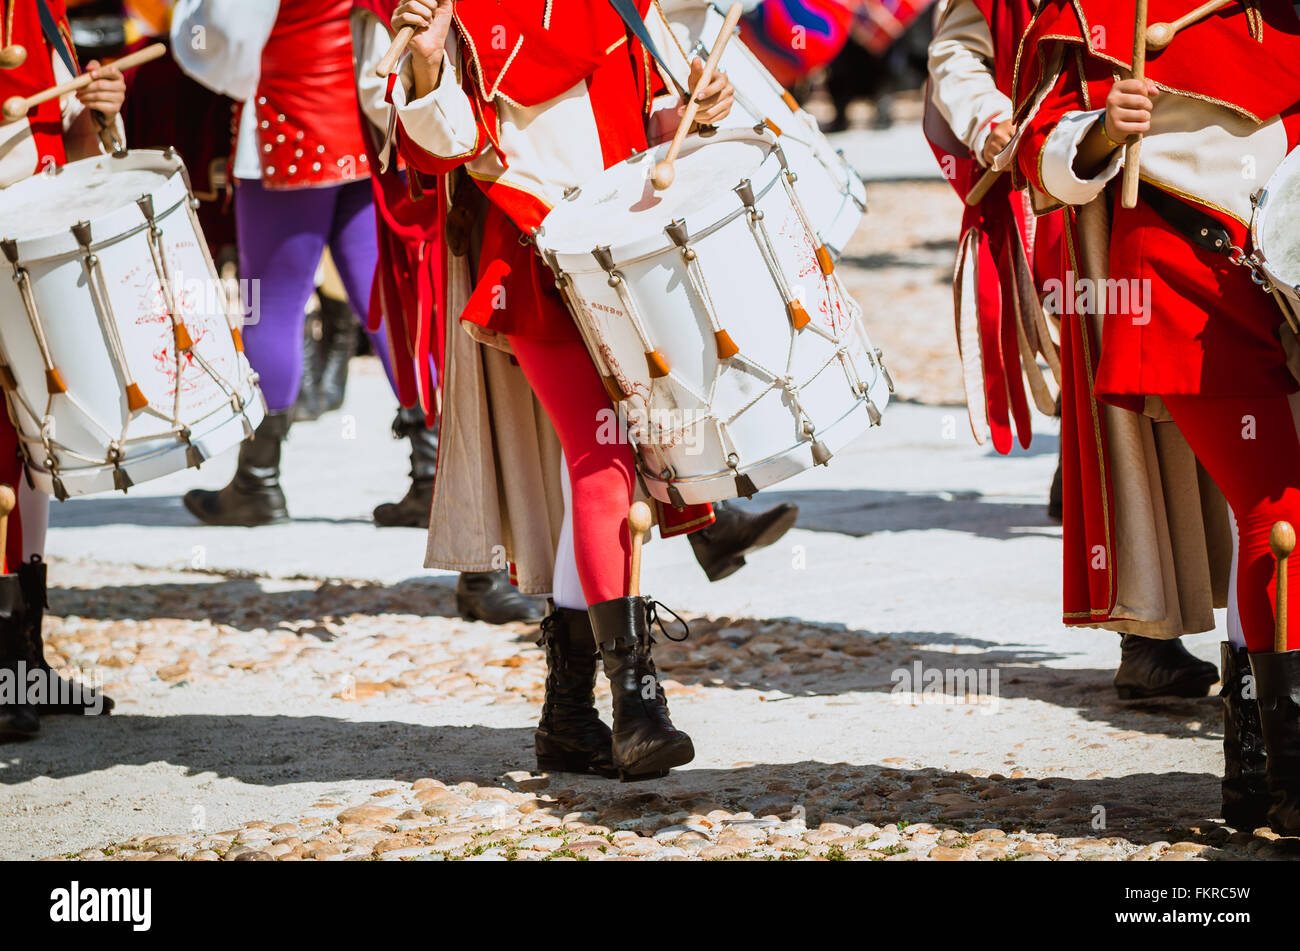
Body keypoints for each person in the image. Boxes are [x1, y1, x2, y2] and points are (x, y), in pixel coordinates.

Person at [380, 0, 754, 780]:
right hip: (530, 248)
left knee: (593, 473)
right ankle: (636, 702)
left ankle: (568, 715)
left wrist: (693, 107)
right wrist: (424, 61)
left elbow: (644, 113)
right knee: (602, 458)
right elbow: (443, 144)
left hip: (625, 247)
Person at [1015, 0, 1300, 831]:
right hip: (1190, 274)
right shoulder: (1109, 9)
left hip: (1285, 261)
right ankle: (1290, 775)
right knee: (1279, 515)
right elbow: (1042, 151)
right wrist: (1102, 130)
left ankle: (1255, 770)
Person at [170, 0, 540, 624]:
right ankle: (429, 470)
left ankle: (258, 481)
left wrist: (200, 48)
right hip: (371, 122)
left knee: (274, 305)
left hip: (288, 116)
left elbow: (223, 37)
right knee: (390, 303)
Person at [926, 0, 1219, 701]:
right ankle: (1146, 631)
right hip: (1074, 181)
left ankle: (1259, 632)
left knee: (1228, 393)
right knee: (1114, 395)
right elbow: (957, 55)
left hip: (1211, 165)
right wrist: (999, 126)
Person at [0, 0, 121, 736]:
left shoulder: (44, 10)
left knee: (30, 453)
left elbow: (69, 147)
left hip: (29, 254)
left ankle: (24, 659)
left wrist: (97, 115)